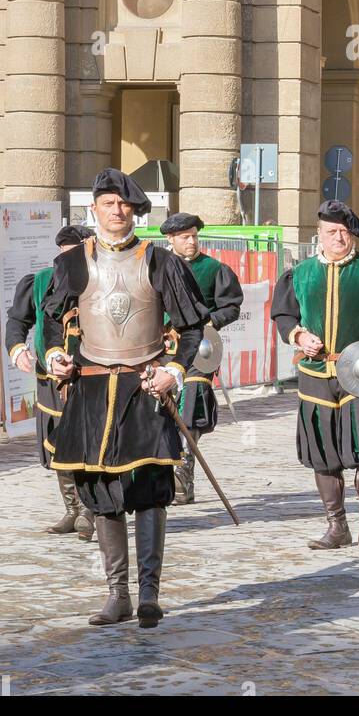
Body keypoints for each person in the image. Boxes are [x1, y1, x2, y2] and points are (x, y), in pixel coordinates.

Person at [44, 170, 211, 628]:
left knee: (151, 490)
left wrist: (174, 370)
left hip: (145, 387)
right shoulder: (72, 262)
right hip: (93, 389)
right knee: (102, 491)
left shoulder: (160, 260)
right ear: (93, 209)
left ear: (135, 211)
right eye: (108, 203)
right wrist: (56, 354)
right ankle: (117, 595)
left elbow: (193, 326)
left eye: (124, 205)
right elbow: (54, 320)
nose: (116, 211)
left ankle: (150, 595)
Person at [271, 200, 359, 549]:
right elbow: (283, 315)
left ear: (353, 235)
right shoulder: (299, 274)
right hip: (315, 372)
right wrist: (298, 335)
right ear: (320, 235)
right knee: (323, 450)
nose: (338, 237)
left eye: (344, 231)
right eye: (331, 232)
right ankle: (336, 526)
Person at [5, 225, 96, 539]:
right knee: (58, 443)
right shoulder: (41, 281)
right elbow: (18, 320)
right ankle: (72, 509)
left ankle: (89, 509)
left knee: (89, 443)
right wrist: (17, 348)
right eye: (65, 253)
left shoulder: (100, 281)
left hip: (91, 376)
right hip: (50, 379)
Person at [159, 213, 243, 505]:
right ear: (171, 239)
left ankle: (183, 474)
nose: (192, 241)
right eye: (185, 237)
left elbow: (231, 306)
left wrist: (208, 323)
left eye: (194, 236)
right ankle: (160, 475)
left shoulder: (214, 269)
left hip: (201, 347)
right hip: (162, 348)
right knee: (160, 409)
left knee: (191, 403)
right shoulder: (155, 265)